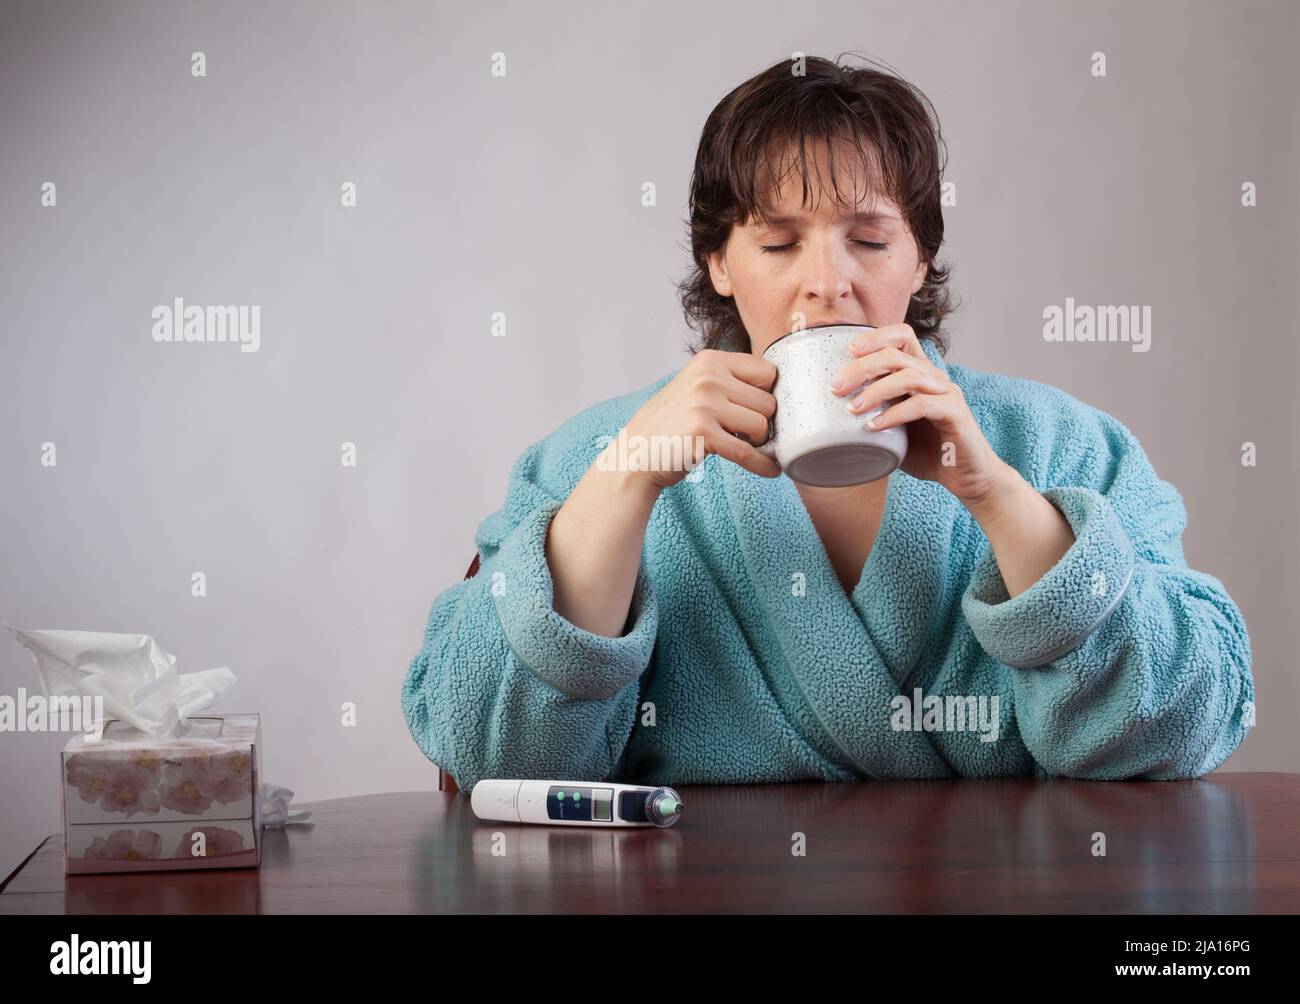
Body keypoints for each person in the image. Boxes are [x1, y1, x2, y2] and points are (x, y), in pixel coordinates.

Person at [401, 54, 1254, 792]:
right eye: (778, 245)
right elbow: (493, 753)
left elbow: (1185, 728)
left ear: (921, 258)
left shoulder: (1058, 446)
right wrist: (626, 479)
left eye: (871, 242)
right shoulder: (592, 457)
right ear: (719, 264)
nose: (826, 284)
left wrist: (996, 496)